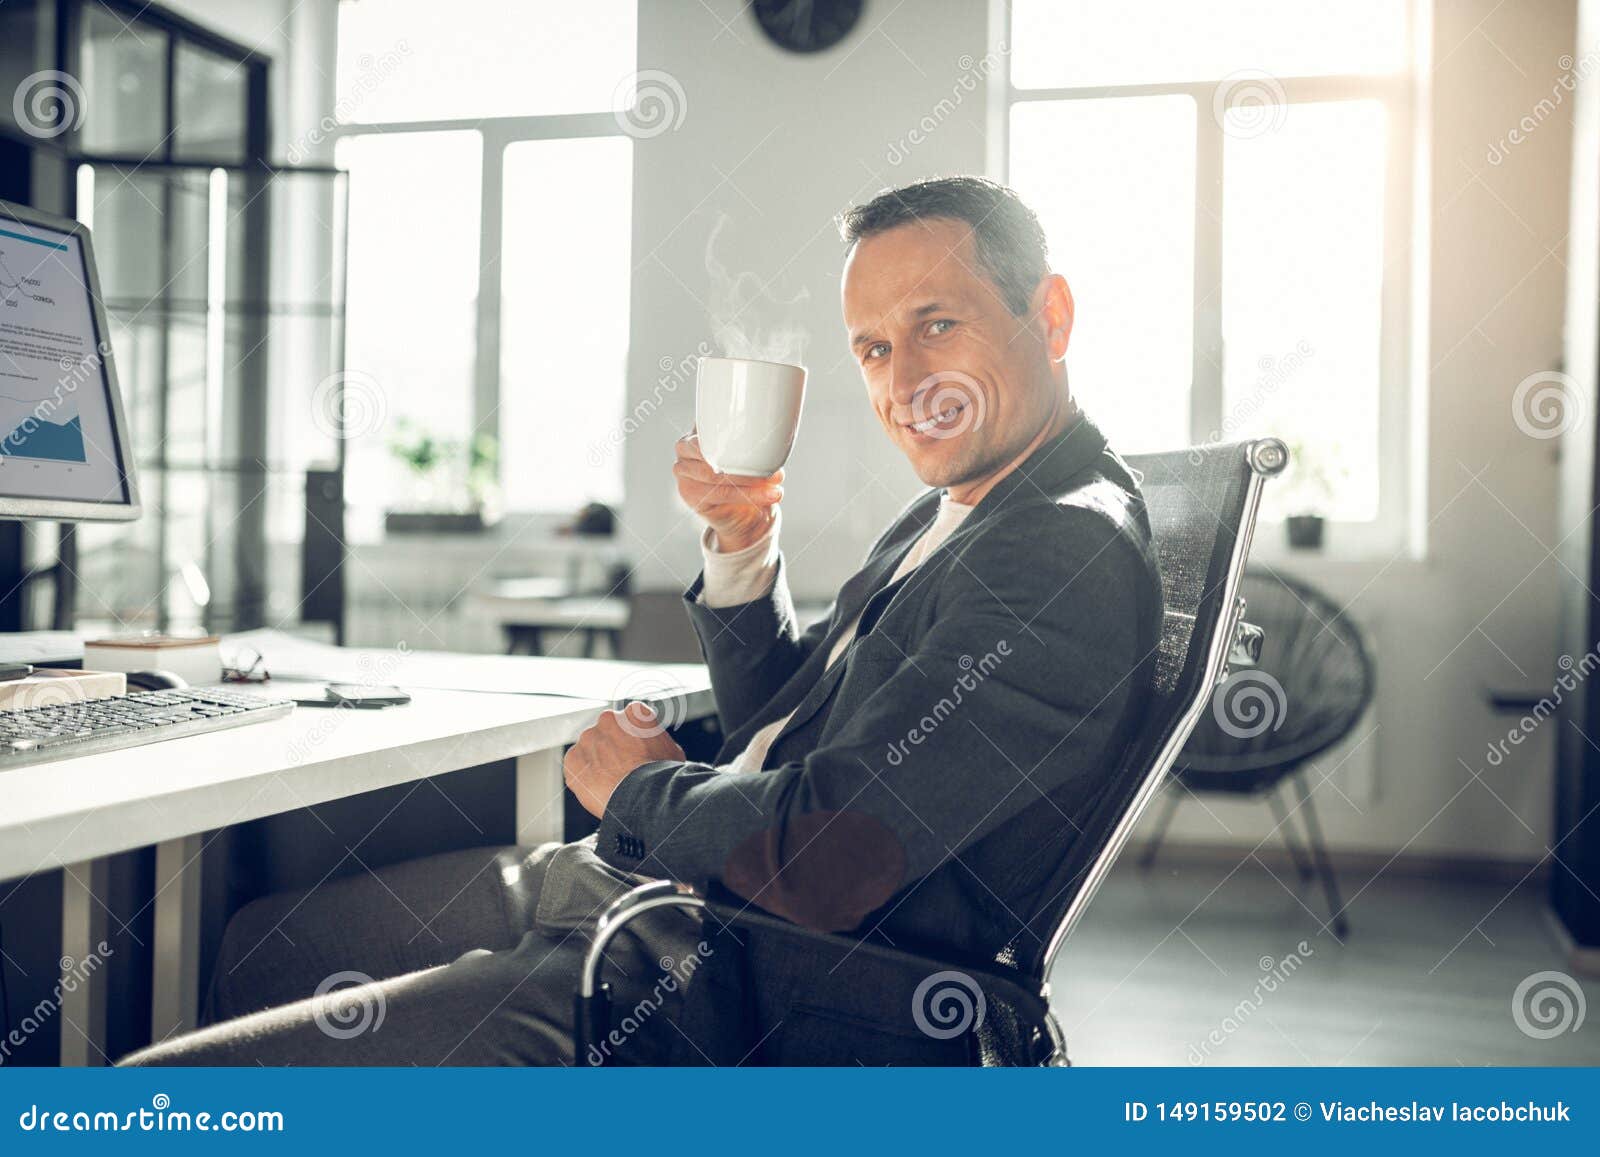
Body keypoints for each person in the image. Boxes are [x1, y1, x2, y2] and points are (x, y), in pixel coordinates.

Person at [122, 176, 1161, 1067]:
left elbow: (833, 857)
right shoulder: (971, 506)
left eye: (937, 324)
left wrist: (637, 788)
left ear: (1051, 314)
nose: (903, 381)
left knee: (157, 1088)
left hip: (748, 983)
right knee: (264, 941)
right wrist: (745, 540)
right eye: (873, 348)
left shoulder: (1056, 548)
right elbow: (791, 721)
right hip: (678, 893)